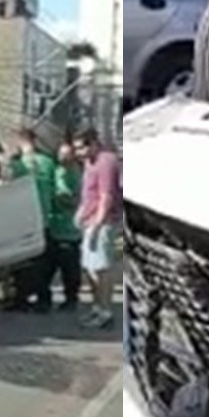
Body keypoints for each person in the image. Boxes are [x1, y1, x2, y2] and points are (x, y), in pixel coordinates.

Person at [6, 128, 58, 313]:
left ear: (20, 142)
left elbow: (8, 191)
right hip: (43, 217)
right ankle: (44, 299)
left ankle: (21, 298)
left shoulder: (17, 165)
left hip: (22, 219)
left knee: (21, 262)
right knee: (42, 262)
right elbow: (55, 192)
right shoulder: (48, 163)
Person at [73, 128, 120, 330]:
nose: (79, 152)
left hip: (103, 222)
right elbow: (89, 194)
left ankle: (106, 311)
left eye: (82, 147)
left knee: (101, 268)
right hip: (89, 219)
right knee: (89, 268)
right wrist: (81, 213)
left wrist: (97, 225)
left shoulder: (106, 161)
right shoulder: (89, 163)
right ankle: (97, 306)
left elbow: (106, 196)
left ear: (93, 143)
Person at [49, 140, 85, 311]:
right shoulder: (56, 171)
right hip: (55, 227)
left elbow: (78, 201)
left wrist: (63, 200)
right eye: (60, 153)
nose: (62, 157)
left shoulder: (75, 174)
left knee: (70, 269)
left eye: (66, 154)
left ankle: (72, 299)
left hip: (70, 230)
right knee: (49, 266)